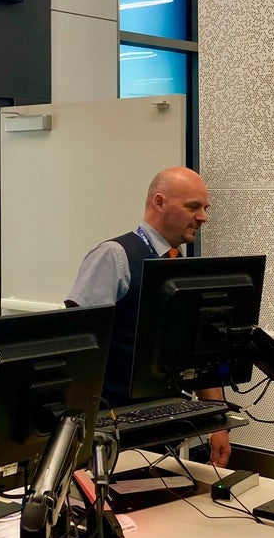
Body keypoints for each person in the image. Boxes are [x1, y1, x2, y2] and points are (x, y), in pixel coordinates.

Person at [65, 166, 231, 467]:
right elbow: (79, 349)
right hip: (112, 431)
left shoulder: (182, 266)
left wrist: (217, 422)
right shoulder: (114, 257)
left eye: (205, 208)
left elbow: (199, 352)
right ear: (159, 202)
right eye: (193, 207)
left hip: (161, 425)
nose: (203, 217)